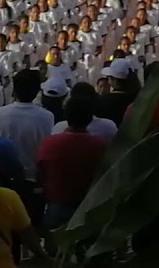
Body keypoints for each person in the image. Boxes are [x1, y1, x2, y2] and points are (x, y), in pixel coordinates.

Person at [37, 93, 107, 229]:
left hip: (56, 206)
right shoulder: (98, 146)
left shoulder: (49, 143)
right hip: (88, 206)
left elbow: (40, 173)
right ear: (90, 118)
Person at [0, 69, 56, 181]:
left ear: (14, 90)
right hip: (33, 179)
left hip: (4, 179)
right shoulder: (47, 117)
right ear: (37, 91)